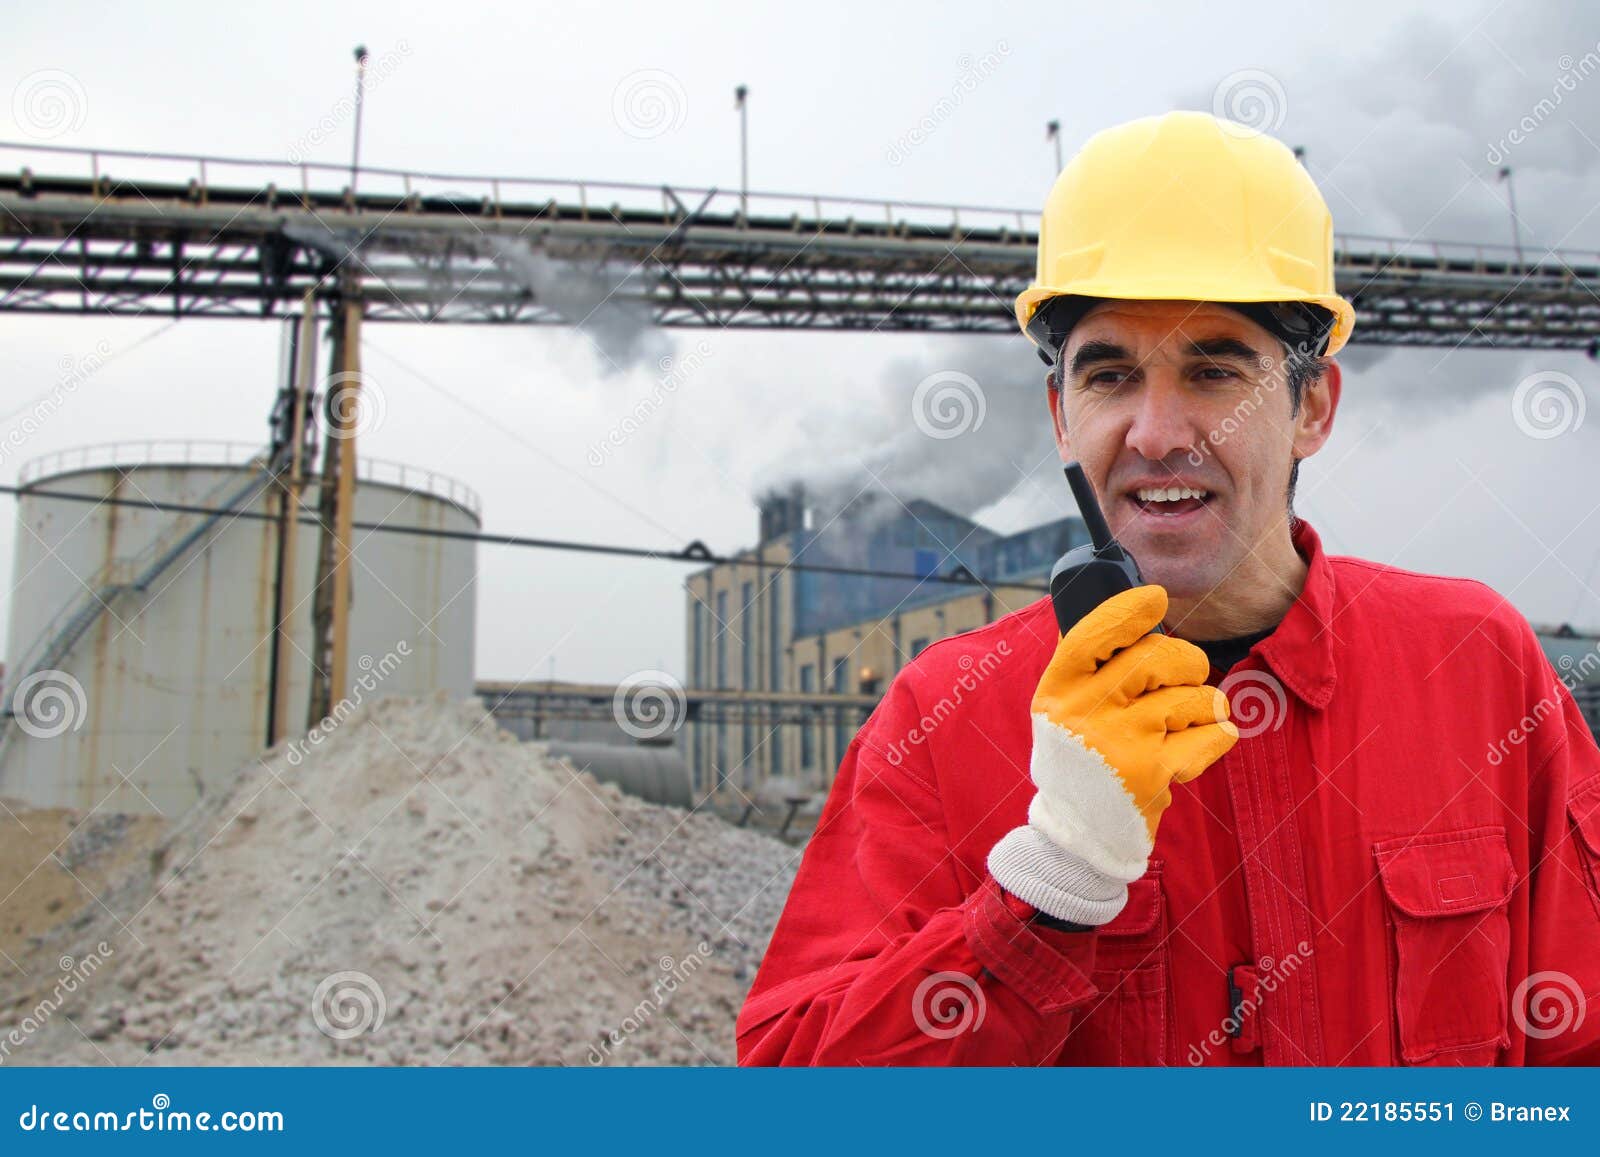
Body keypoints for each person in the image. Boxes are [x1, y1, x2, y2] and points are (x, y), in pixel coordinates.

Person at [735, 110, 1600, 1065]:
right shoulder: (945, 716)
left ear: (1312, 405)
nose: (1156, 432)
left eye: (1214, 369)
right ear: (1063, 415)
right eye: (1110, 374)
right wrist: (1050, 884)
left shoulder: (1473, 663)